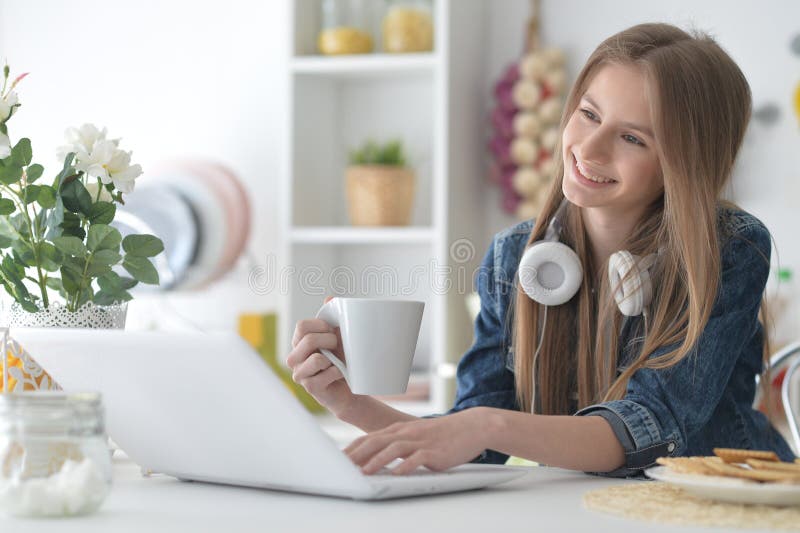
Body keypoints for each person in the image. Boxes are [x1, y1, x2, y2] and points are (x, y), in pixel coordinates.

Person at [285, 22, 795, 477]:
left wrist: (486, 426)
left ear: (687, 163)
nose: (590, 149)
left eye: (633, 138)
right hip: (590, 511)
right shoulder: (512, 259)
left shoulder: (729, 248)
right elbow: (474, 444)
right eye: (589, 114)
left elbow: (652, 427)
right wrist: (350, 402)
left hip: (733, 504)